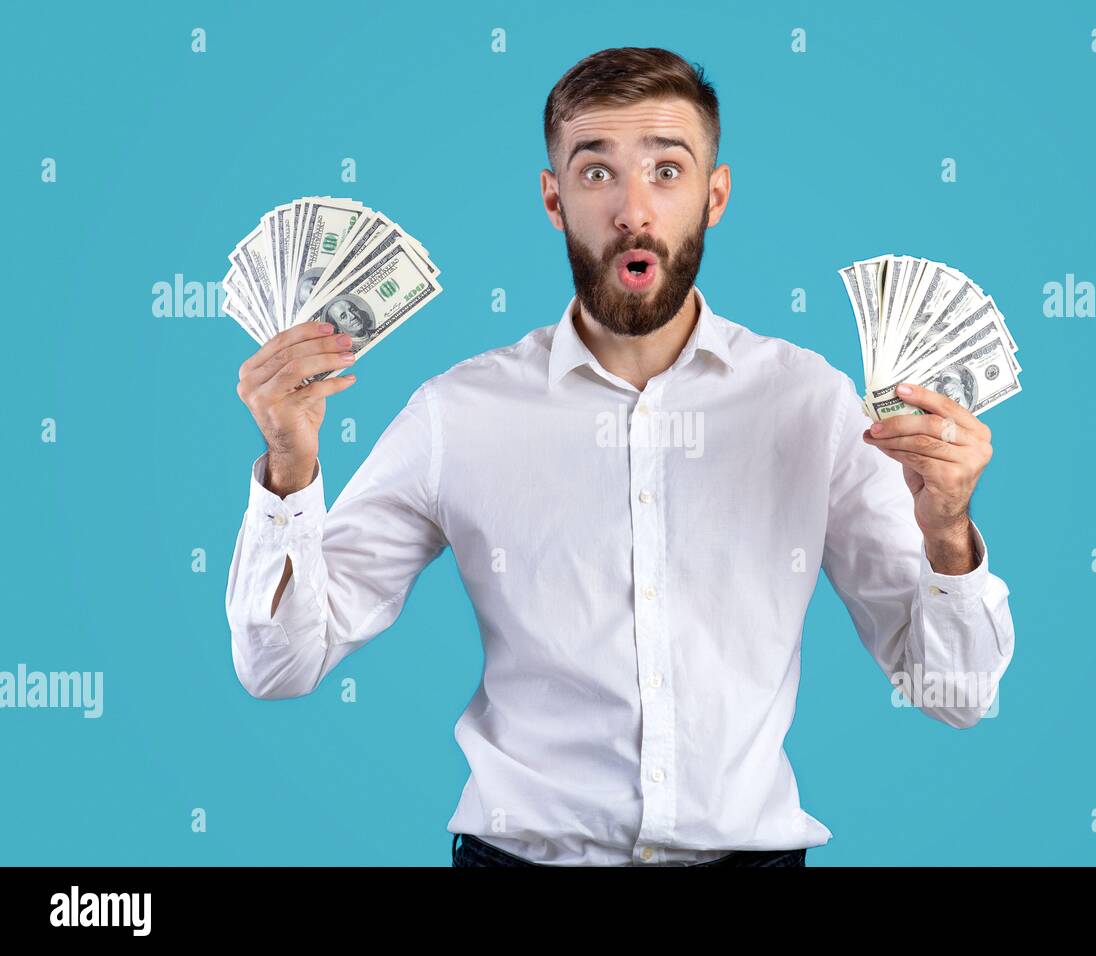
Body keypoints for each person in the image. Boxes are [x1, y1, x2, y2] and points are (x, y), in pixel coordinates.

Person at [227, 46, 1014, 868]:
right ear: (552, 197)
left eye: (667, 171)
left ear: (715, 197)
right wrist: (287, 470)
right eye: (597, 173)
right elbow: (278, 665)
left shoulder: (811, 405)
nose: (635, 211)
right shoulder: (456, 414)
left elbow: (958, 695)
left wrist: (949, 532)